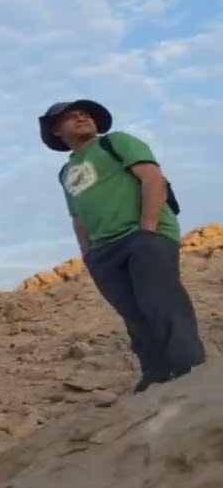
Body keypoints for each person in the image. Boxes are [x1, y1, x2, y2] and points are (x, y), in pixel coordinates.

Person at [39, 98, 206, 396]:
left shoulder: (116, 143)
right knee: (133, 314)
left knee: (162, 302)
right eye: (71, 116)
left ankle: (191, 371)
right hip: (103, 252)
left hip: (143, 236)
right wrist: (88, 255)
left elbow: (152, 179)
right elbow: (77, 217)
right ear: (55, 131)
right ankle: (156, 374)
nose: (81, 117)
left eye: (85, 113)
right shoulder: (66, 173)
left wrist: (148, 228)